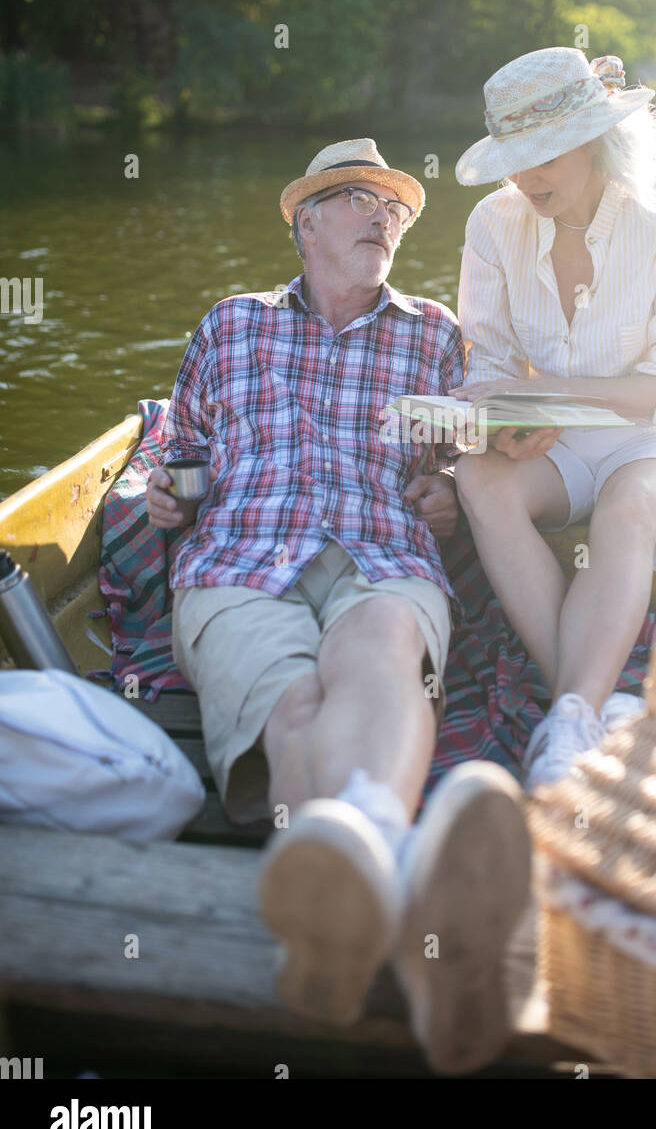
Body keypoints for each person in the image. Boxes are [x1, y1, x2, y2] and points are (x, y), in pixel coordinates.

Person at [146, 139, 531, 1075]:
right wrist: (167, 492)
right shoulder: (231, 324)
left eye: (395, 208)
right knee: (295, 705)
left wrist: (445, 494)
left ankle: (333, 919)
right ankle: (398, 902)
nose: (384, 219)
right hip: (239, 559)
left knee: (383, 642)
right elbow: (179, 446)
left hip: (381, 556)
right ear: (304, 220)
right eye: (358, 199)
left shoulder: (436, 335)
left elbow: (453, 462)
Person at [451, 48, 656, 789]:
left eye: (543, 154)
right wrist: (514, 416)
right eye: (514, 157)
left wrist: (558, 395)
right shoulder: (492, 224)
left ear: (597, 140)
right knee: (480, 478)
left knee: (628, 501)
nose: (524, 175)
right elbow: (488, 366)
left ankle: (569, 713)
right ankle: (583, 711)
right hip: (562, 440)